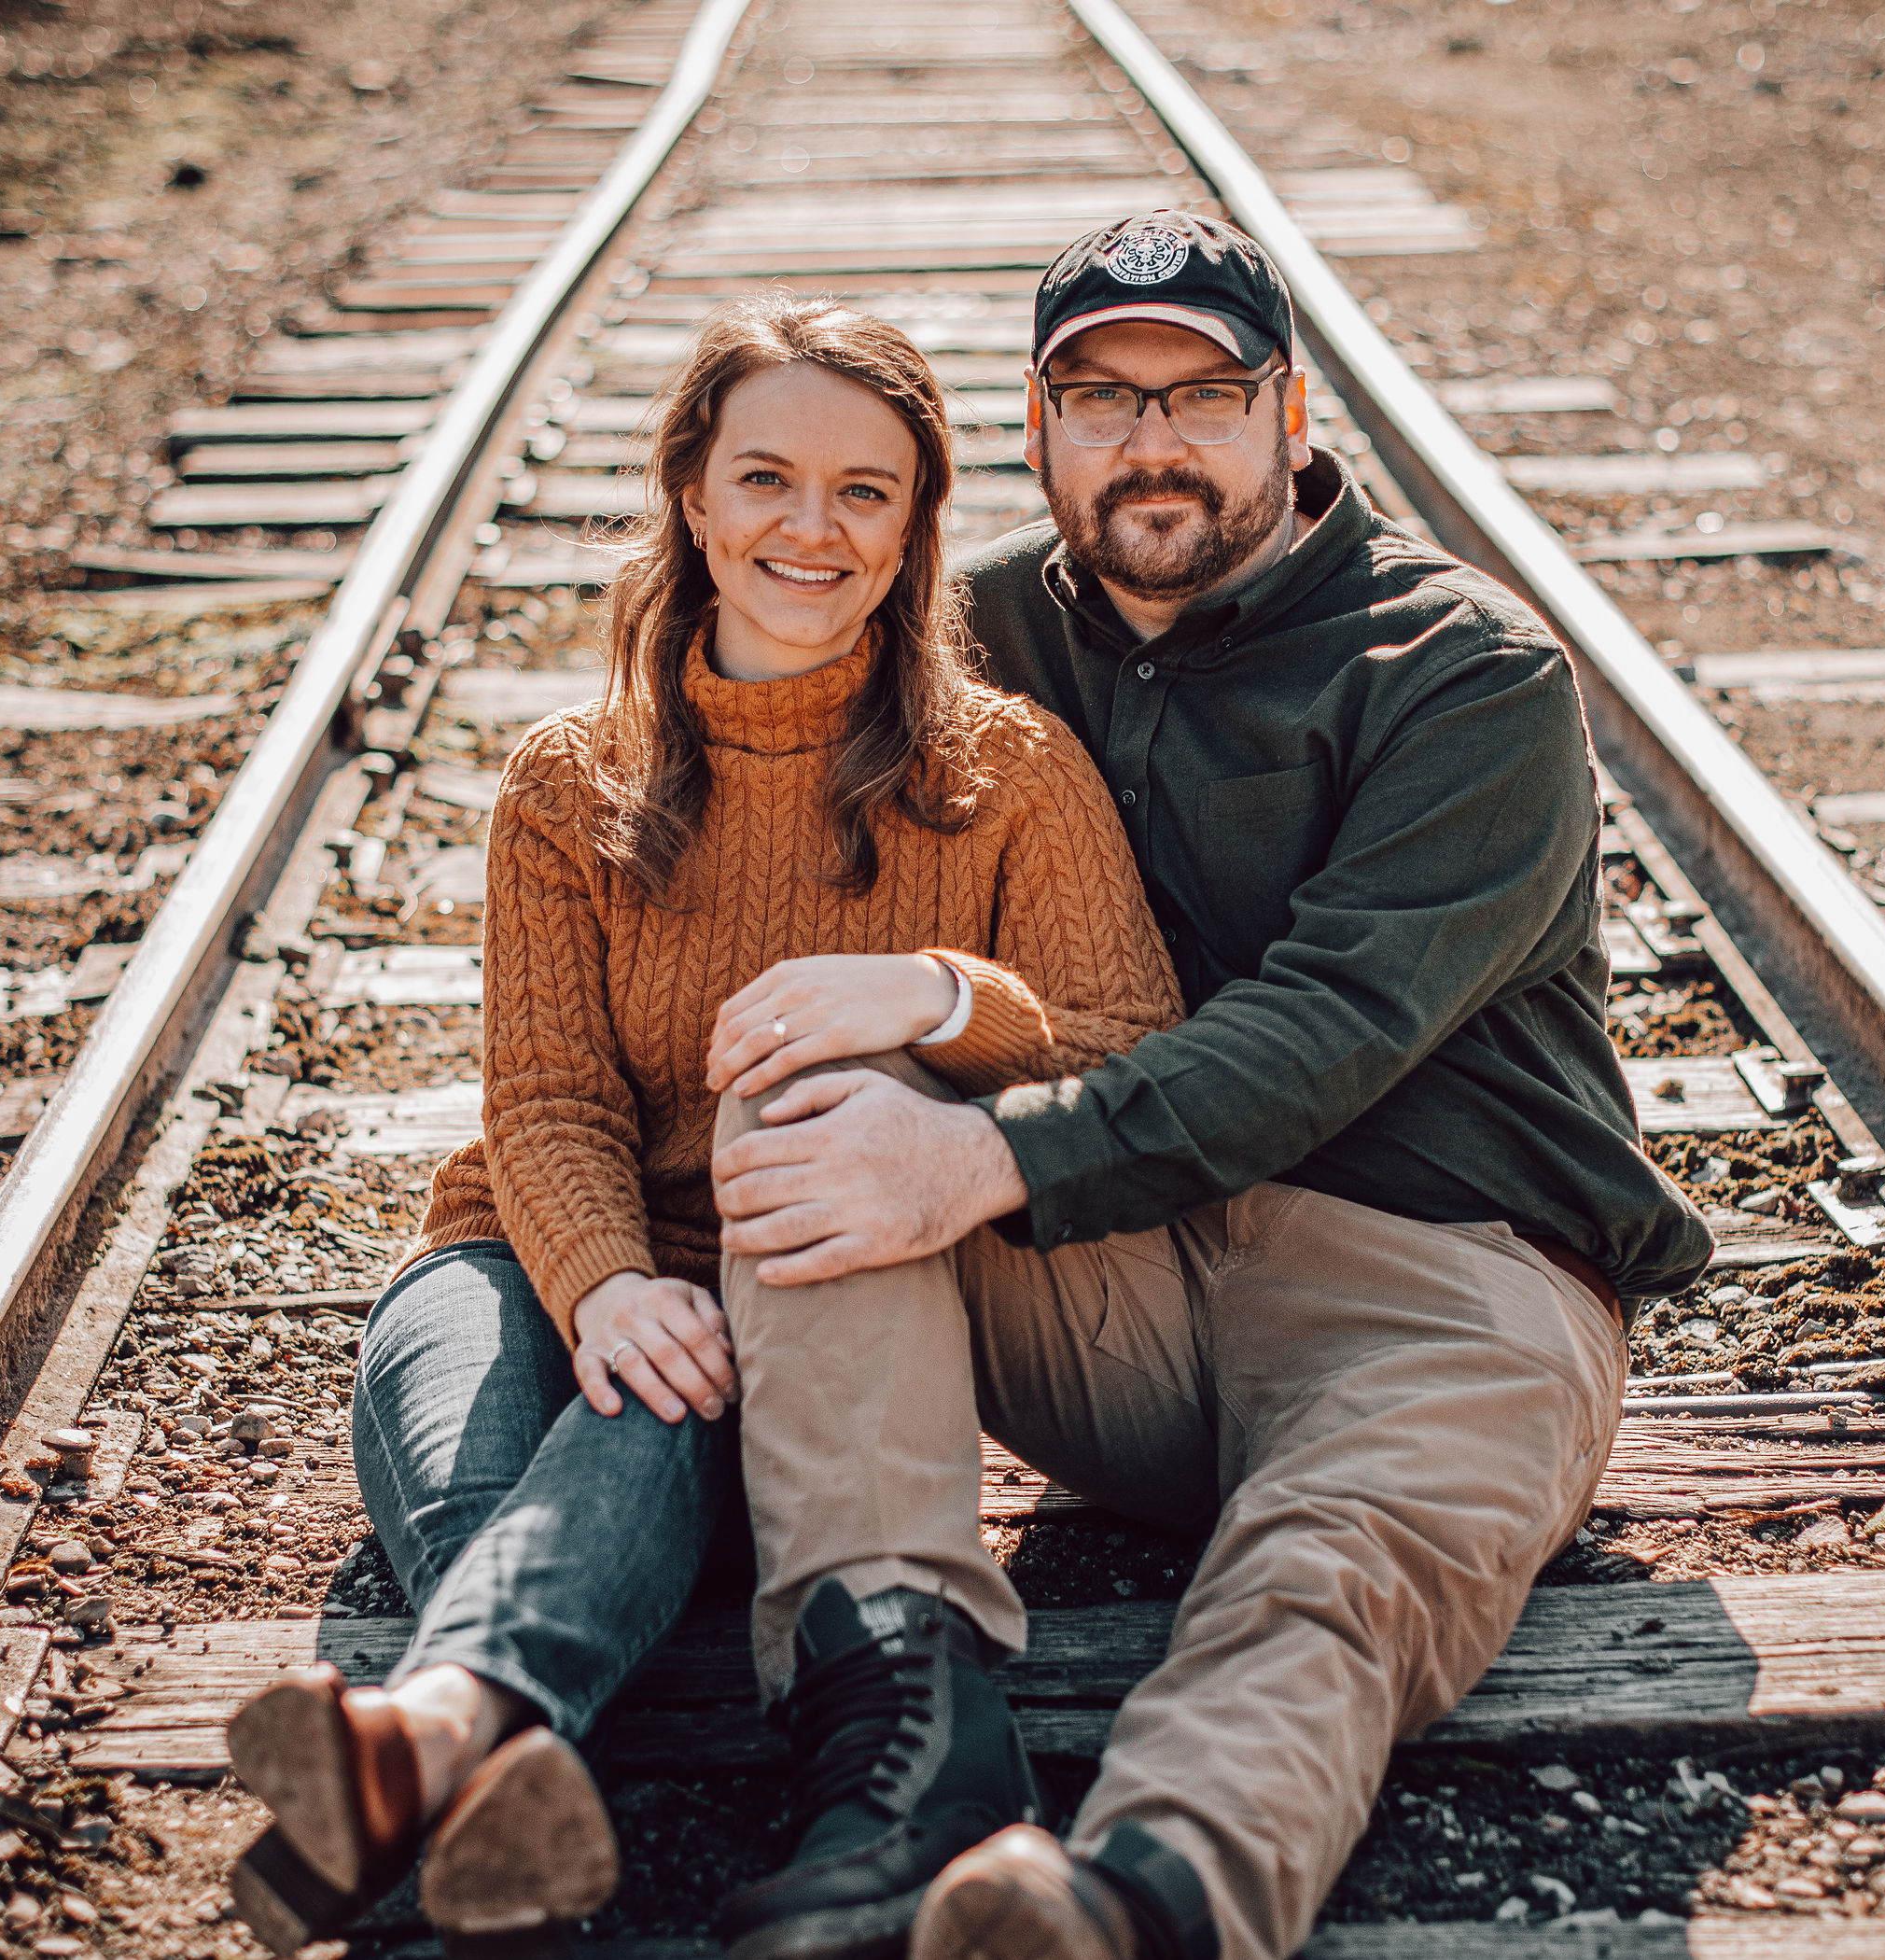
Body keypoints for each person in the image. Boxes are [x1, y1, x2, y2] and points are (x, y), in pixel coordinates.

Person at [701, 213, 1715, 1960]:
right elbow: (734, 817)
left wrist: (984, 1161)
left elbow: (1325, 1028)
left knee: (1326, 1574)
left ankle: (1136, 1903)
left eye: (1204, 393)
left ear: (1292, 415)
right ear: (1038, 427)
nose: (1151, 440)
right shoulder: (981, 632)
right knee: (814, 1090)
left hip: (1447, 1281)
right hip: (1129, 1305)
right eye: (1102, 396)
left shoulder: (1468, 672)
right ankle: (900, 1753)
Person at [218, 296, 1182, 1954]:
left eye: (865, 493)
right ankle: (477, 1764)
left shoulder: (1007, 772)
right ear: (690, 493)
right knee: (551, 1418)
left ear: (918, 526)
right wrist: (600, 1282)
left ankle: (430, 1742)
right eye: (766, 480)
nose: (811, 530)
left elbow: (1134, 1042)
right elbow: (545, 1100)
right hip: (520, 1254)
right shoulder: (569, 778)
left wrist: (938, 995)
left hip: (806, 1288)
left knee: (655, 1414)